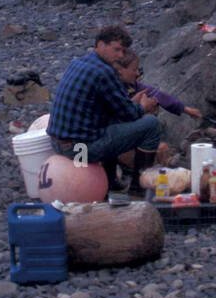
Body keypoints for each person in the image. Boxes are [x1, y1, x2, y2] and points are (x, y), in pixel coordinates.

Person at [47, 25, 162, 193]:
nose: (120, 56)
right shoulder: (104, 72)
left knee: (107, 124)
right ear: (100, 44)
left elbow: (113, 108)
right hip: (79, 153)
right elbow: (129, 114)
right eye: (117, 50)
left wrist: (130, 104)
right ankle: (139, 188)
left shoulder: (78, 62)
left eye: (123, 51)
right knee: (151, 125)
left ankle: (110, 183)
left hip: (57, 145)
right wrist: (142, 106)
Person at [112, 51, 203, 120]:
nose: (137, 73)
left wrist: (186, 110)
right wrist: (137, 105)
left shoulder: (132, 85)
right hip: (112, 132)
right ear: (120, 70)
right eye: (134, 70)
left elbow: (158, 95)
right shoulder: (111, 88)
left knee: (153, 102)